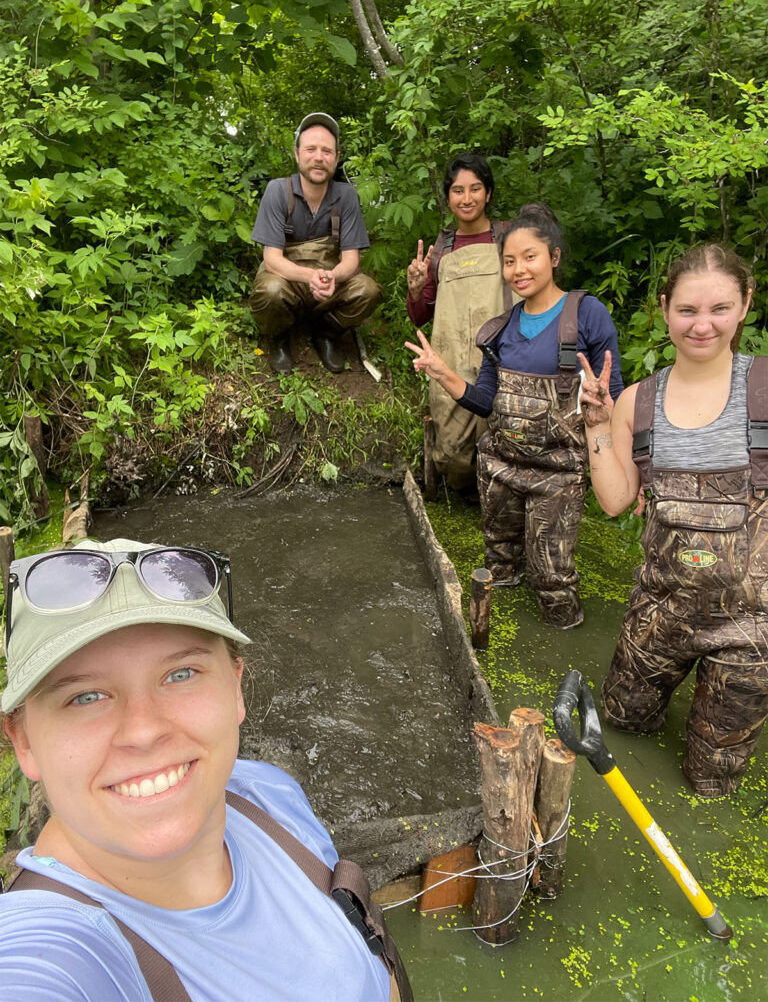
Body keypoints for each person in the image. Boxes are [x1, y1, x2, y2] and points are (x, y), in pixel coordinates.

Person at [0, 539, 410, 1001]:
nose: (143, 731)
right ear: (24, 741)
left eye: (181, 674)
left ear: (235, 688)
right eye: (85, 697)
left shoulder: (269, 797)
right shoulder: (48, 955)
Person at [579, 243, 768, 797]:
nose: (702, 325)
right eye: (687, 310)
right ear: (664, 309)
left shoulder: (764, 390)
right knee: (621, 720)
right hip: (662, 610)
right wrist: (597, 423)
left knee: (711, 783)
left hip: (752, 629)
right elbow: (615, 501)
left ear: (746, 304)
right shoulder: (637, 401)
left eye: (720, 308)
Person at [406, 203, 623, 628]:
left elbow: (611, 394)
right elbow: (486, 402)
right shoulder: (499, 328)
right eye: (509, 261)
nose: (518, 270)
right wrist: (443, 372)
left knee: (552, 584)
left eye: (529, 257)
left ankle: (561, 634)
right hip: (500, 469)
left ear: (554, 257)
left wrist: (616, 447)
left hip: (557, 475)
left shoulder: (585, 315)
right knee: (498, 568)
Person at [407, 153, 515, 490]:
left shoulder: (510, 238)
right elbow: (421, 316)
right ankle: (465, 489)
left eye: (475, 189)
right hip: (452, 361)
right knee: (453, 456)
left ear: (488, 193)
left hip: (505, 358)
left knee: (512, 443)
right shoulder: (441, 249)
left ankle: (504, 492)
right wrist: (415, 289)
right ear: (448, 197)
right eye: (458, 190)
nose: (467, 198)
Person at [249, 112, 381, 374]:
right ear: (297, 154)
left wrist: (331, 278)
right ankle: (279, 337)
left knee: (368, 290)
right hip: (287, 282)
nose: (319, 157)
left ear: (337, 157)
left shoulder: (347, 196)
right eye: (311, 149)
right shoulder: (278, 191)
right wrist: (310, 277)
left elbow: (351, 260)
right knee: (270, 291)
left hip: (328, 285)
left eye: (327, 151)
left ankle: (326, 334)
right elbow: (272, 260)